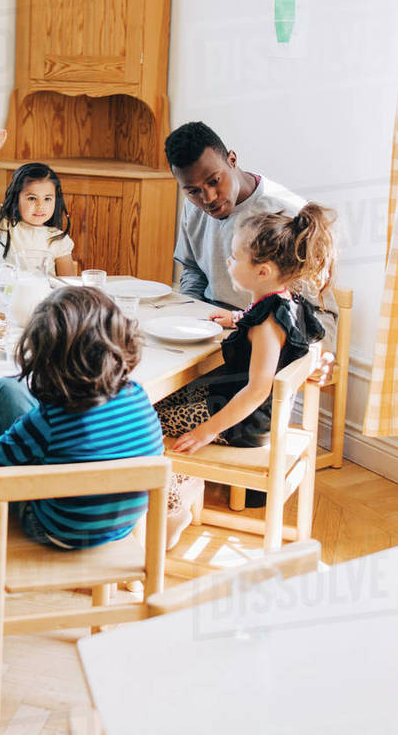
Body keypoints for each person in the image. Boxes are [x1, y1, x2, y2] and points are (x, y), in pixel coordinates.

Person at [155, 204, 334, 545]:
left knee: (147, 415)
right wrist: (237, 320)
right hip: (240, 407)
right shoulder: (286, 302)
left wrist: (207, 431)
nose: (228, 263)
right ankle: (181, 486)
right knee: (171, 397)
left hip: (243, 422)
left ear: (263, 271)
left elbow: (256, 390)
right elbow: (278, 330)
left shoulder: (267, 325)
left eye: (235, 258)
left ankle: (176, 497)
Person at [0, 286, 164, 549]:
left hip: (57, 531)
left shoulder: (49, 420)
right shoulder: (139, 394)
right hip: (122, 526)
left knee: (4, 390)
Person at [165, 121, 336, 345]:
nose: (208, 198)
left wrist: (313, 357)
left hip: (268, 337)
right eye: (193, 191)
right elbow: (194, 271)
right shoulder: (193, 207)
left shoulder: (286, 213)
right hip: (214, 330)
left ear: (232, 160)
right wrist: (188, 321)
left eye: (214, 181)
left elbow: (321, 316)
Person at [0, 129, 76, 276]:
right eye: (32, 198)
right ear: (17, 199)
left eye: (47, 198)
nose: (40, 205)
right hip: (8, 296)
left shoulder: (58, 239)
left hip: (43, 298)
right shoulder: (6, 225)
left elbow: (68, 285)